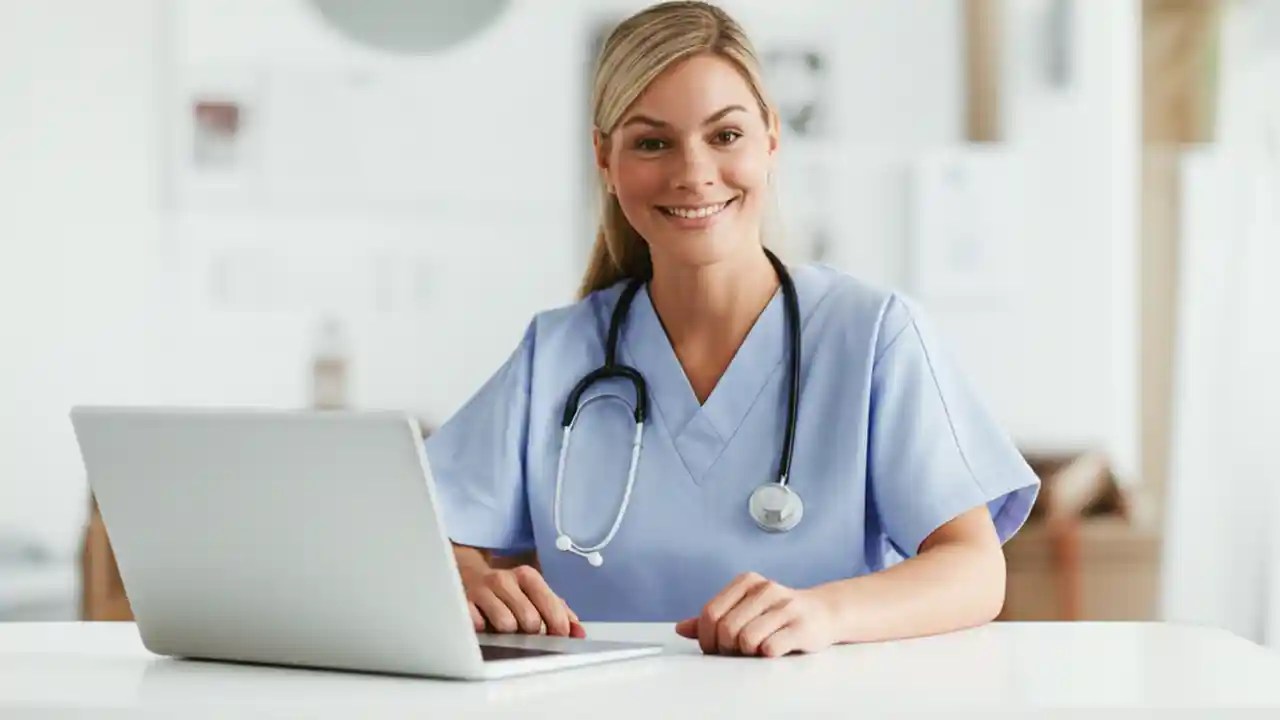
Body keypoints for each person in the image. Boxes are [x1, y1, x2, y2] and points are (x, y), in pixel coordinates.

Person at [425, 0, 1039, 658]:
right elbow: (413, 529)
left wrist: (823, 613)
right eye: (652, 142)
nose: (693, 173)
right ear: (605, 159)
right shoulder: (556, 354)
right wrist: (469, 581)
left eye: (725, 135)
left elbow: (975, 569)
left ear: (771, 139)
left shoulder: (871, 336)